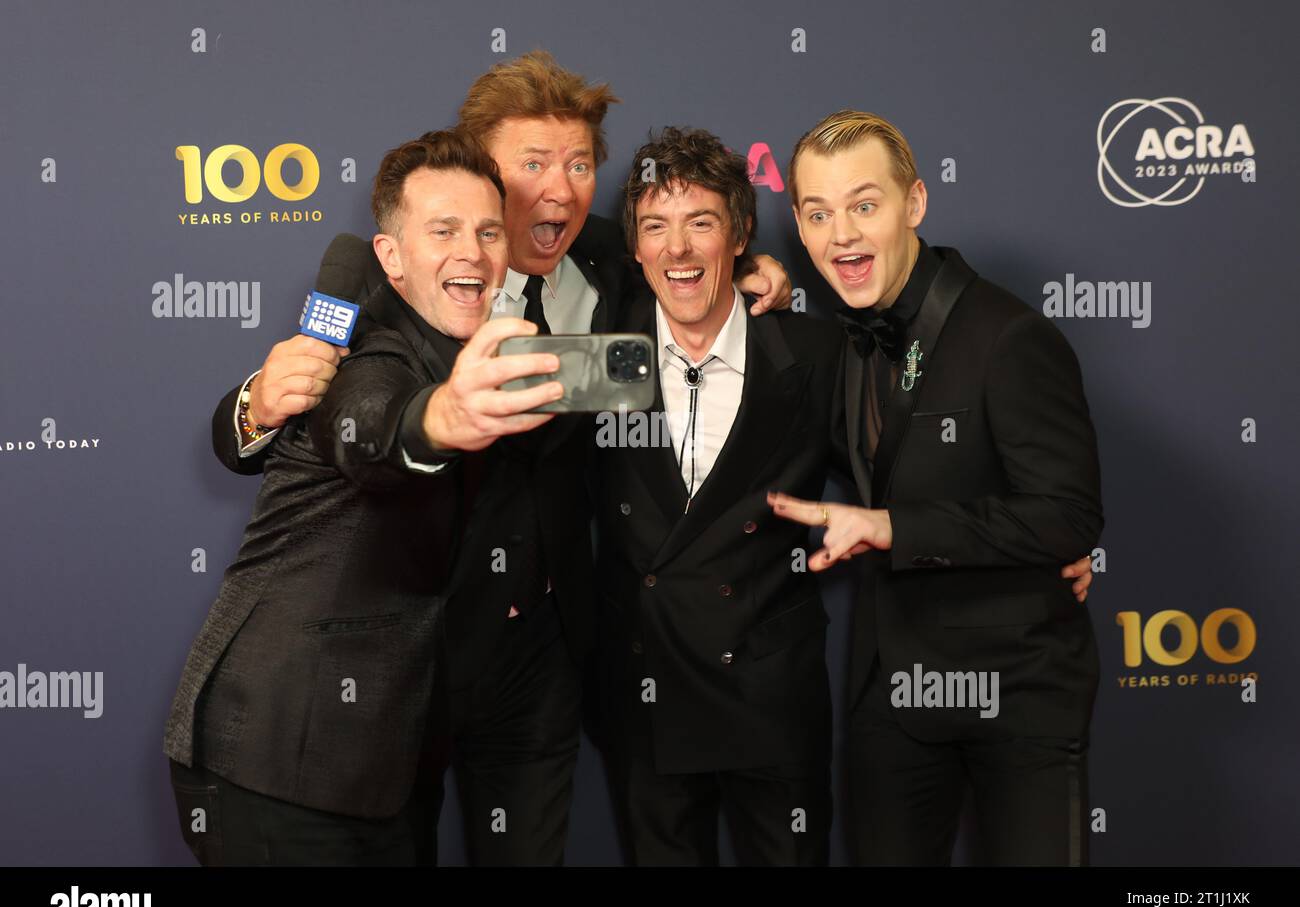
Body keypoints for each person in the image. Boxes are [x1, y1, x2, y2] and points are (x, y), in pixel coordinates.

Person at [200, 51, 794, 864]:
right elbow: (357, 416)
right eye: (533, 165)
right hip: (418, 646)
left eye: (580, 164)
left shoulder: (616, 257)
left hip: (545, 649)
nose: (561, 189)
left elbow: (689, 252)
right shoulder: (386, 281)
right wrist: (257, 406)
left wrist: (752, 270)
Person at [163, 130, 562, 864]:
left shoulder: (468, 344)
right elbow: (374, 427)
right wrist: (443, 420)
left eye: (486, 232)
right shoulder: (362, 353)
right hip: (276, 759)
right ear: (392, 258)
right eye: (442, 231)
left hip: (389, 762)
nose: (471, 252)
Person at [771, 110, 1103, 865]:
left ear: (914, 203)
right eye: (819, 214)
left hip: (1018, 693)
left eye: (865, 205)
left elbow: (1067, 515)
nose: (842, 235)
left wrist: (895, 528)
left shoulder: (1009, 336)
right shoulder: (840, 339)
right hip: (891, 693)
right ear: (797, 222)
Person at [593, 127, 848, 865]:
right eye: (655, 228)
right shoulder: (599, 354)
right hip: (647, 690)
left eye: (700, 223)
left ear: (737, 235)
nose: (678, 250)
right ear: (633, 248)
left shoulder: (814, 355)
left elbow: (900, 474)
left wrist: (1008, 541)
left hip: (772, 693)